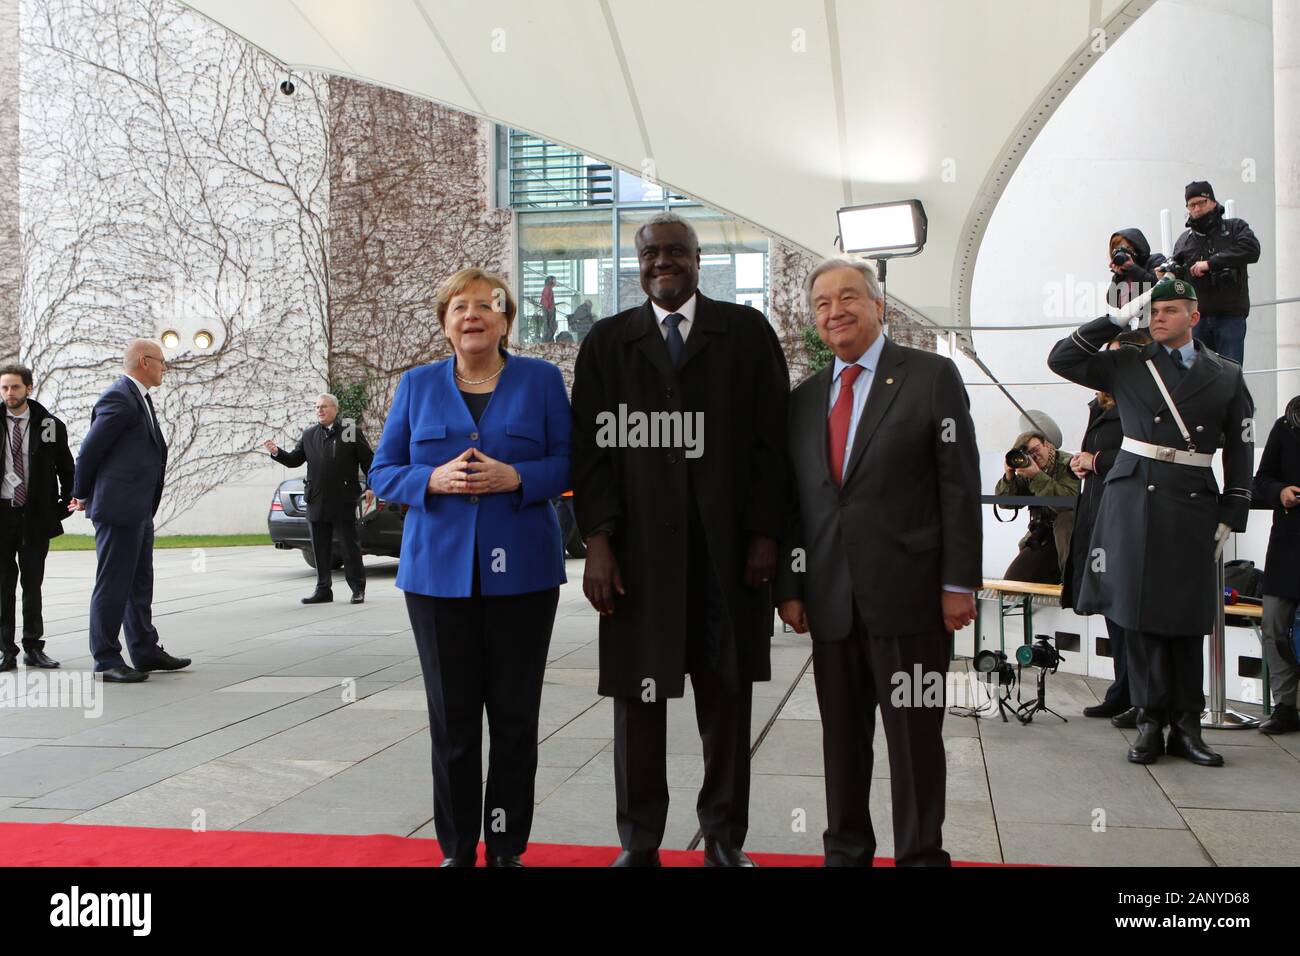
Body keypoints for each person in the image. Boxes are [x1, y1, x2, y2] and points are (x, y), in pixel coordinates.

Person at [571, 211, 789, 867]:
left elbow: (772, 445)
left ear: (698, 258)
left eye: (674, 251)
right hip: (639, 561)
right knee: (639, 705)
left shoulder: (746, 333)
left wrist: (764, 536)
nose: (662, 262)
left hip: (726, 558)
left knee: (725, 705)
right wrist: (599, 544)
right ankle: (639, 841)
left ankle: (723, 837)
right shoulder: (607, 343)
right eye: (650, 254)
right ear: (636, 265)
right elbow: (591, 455)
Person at [774, 258, 981, 867]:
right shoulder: (805, 397)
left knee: (915, 741)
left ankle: (919, 855)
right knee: (841, 741)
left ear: (878, 305)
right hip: (831, 601)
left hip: (912, 598)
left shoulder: (930, 377)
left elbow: (959, 487)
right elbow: (796, 502)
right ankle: (845, 850)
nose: (834, 311)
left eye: (848, 298)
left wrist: (956, 583)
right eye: (821, 304)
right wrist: (790, 586)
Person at [369, 267, 570, 867]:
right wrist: (428, 478)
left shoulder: (541, 379)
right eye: (459, 306)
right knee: (452, 721)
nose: (473, 314)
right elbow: (382, 472)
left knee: (514, 717)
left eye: (487, 305)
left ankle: (506, 848)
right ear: (445, 322)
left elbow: (571, 462)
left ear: (506, 320)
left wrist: (520, 477)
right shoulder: (416, 385)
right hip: (437, 580)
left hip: (524, 580)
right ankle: (457, 849)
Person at [1048, 276, 1254, 767]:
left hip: (1192, 501)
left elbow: (1242, 445)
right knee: (1137, 615)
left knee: (1186, 616)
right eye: (1152, 310)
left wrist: (1234, 508)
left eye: (1169, 310)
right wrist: (1116, 318)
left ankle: (1187, 725)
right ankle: (1148, 722)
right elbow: (1062, 359)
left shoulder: (1225, 373)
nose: (1157, 317)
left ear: (1194, 316)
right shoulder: (1126, 363)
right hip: (1135, 498)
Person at [70, 340, 191, 683]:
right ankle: (106, 659)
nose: (165, 367)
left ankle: (144, 650)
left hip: (137, 509)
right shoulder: (119, 397)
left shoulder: (138, 397)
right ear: (144, 361)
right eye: (161, 362)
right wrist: (81, 494)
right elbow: (90, 451)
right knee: (113, 584)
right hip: (119, 509)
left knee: (139, 583)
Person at [1062, 329, 1152, 727]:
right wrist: (1080, 462)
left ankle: (1139, 693)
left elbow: (1143, 454)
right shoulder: (1098, 405)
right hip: (1097, 509)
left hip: (1123, 512)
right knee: (1110, 607)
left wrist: (1095, 461)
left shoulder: (1140, 402)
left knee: (1128, 607)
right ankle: (1123, 689)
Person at [263, 394, 373, 604]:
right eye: (316, 407)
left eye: (323, 406)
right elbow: (295, 460)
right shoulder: (309, 434)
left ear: (335, 409)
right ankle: (323, 590)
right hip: (316, 498)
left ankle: (358, 589)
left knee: (349, 546)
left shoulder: (349, 431)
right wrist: (277, 453)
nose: (319, 410)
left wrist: (372, 486)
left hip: (343, 498)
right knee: (320, 548)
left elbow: (368, 461)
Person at [0, 364, 74, 671]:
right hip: (2, 516)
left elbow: (67, 470)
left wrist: (58, 510)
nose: (9, 393)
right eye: (4, 388)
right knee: (4, 585)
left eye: (15, 387)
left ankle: (34, 647)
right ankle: (6, 650)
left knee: (33, 584)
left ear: (28, 388)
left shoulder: (49, 425)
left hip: (34, 517)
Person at [1168, 181, 1261, 365]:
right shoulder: (1185, 239)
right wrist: (1167, 275)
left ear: (1212, 201)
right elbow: (1177, 275)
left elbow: (1252, 250)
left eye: (1201, 202)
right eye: (1191, 205)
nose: (1197, 208)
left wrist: (1210, 264)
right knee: (1200, 376)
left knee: (1230, 372)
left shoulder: (1235, 227)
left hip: (1230, 315)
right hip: (1197, 318)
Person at [1250, 400, 1300, 734]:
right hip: (1289, 545)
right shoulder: (1287, 425)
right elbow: (1262, 480)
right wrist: (1280, 491)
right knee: (1274, 626)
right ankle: (1285, 706)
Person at [994, 430, 1079, 583]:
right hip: (1044, 536)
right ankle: (1054, 577)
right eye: (1028, 454)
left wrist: (1037, 476)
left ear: (1047, 445)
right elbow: (1005, 503)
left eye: (1036, 450)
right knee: (1013, 583)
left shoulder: (1069, 464)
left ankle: (1072, 583)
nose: (1033, 457)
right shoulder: (1027, 470)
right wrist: (1009, 476)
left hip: (1072, 537)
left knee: (1065, 518)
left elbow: (1067, 503)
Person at [1107, 228, 1165, 311]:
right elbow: (1113, 302)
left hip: (1148, 314)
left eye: (1126, 248)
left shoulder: (1155, 259)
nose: (1121, 253)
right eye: (1117, 250)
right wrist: (1118, 276)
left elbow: (1156, 287)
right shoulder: (1122, 272)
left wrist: (1133, 268)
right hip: (1127, 317)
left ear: (1137, 247)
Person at [539, 275, 557, 343]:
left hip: (550, 309)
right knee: (549, 326)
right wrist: (549, 308)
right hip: (549, 309)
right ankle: (547, 341)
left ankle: (549, 340)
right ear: (551, 281)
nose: (555, 282)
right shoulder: (547, 288)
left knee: (551, 326)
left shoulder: (549, 288)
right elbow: (544, 299)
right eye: (554, 280)